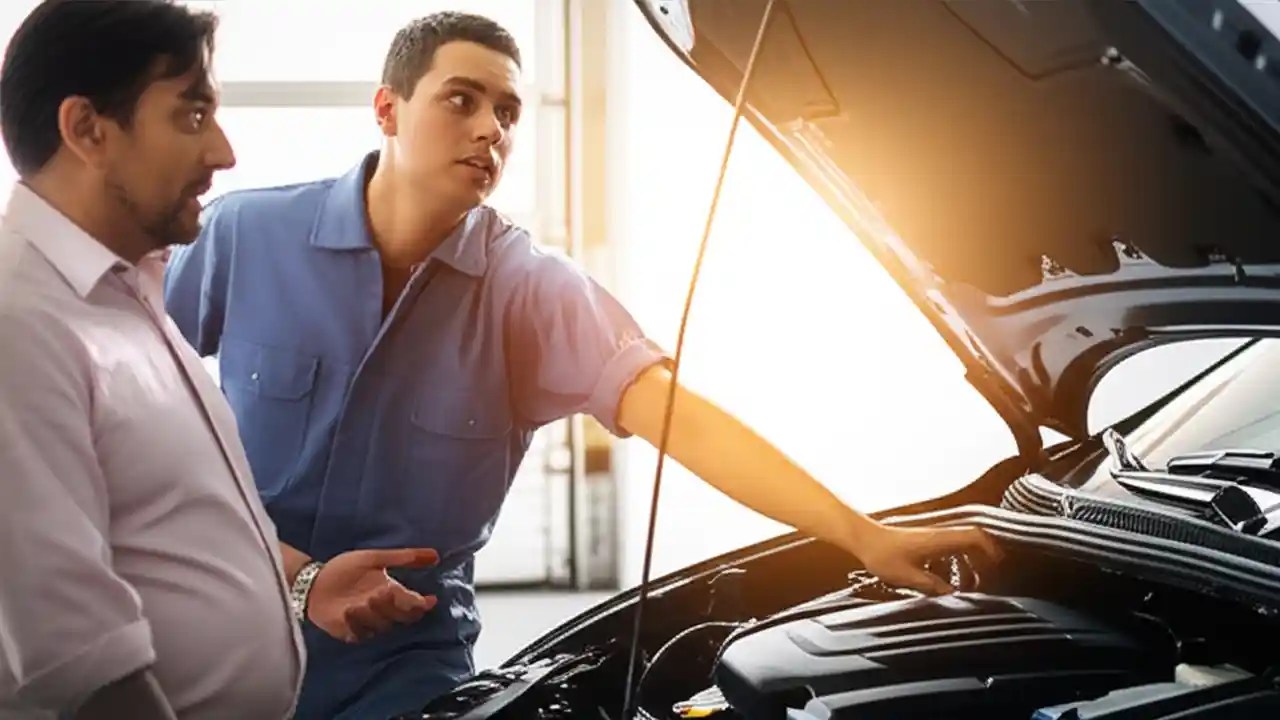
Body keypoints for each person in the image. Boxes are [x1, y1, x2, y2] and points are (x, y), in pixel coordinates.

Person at [163, 10, 1003, 719]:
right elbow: (130, 406)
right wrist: (298, 578)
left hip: (404, 673)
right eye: (461, 100)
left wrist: (862, 535)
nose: (491, 129)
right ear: (387, 108)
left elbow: (682, 418)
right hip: (230, 632)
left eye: (508, 112)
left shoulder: (532, 290)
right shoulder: (246, 236)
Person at [0, 2, 441, 718]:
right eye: (192, 116)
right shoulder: (20, 321)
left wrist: (302, 583)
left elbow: (171, 525)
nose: (223, 153)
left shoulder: (130, 293)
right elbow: (73, 660)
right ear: (86, 129)